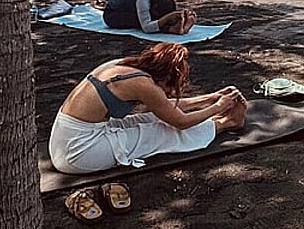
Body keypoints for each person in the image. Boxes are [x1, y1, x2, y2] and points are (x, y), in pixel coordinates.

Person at [49, 43, 247, 175]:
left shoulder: (124, 66)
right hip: (77, 153)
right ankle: (226, 123)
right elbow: (180, 121)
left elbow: (163, 106)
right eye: (172, 86)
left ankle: (219, 121)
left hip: (66, 141)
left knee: (148, 119)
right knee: (162, 132)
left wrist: (211, 98)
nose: (171, 92)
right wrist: (218, 107)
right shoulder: (143, 84)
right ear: (165, 76)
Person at [102, 0, 197, 34]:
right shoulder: (143, 0)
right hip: (112, 14)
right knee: (141, 21)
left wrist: (176, 15)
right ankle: (171, 29)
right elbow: (146, 27)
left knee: (157, 20)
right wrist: (167, 18)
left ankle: (178, 27)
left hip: (133, 8)